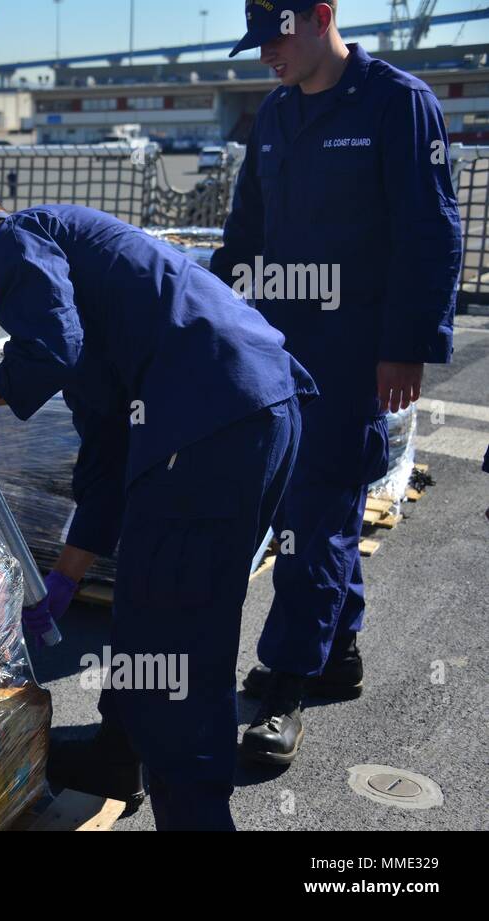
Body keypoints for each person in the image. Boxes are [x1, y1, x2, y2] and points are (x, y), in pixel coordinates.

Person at [0, 198, 316, 830]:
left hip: (212, 424)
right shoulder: (81, 297)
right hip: (243, 412)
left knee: (177, 642)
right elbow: (106, 455)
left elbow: (49, 351)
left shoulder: (18, 240)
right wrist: (66, 578)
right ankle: (117, 755)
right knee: (147, 603)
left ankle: (198, 818)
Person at [211, 1, 461, 764]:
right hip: (283, 347)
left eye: (276, 38)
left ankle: (287, 681)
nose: (266, 57)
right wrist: (211, 316)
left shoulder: (397, 104)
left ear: (321, 16)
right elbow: (246, 234)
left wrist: (408, 345)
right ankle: (336, 651)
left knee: (317, 504)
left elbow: (431, 229)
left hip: (356, 349)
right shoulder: (277, 117)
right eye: (256, 45)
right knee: (315, 498)